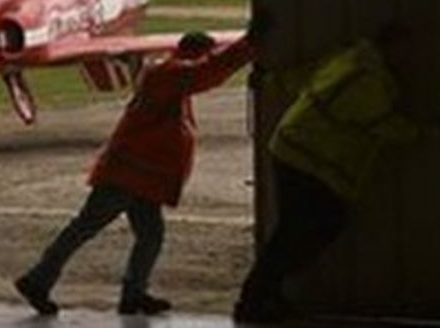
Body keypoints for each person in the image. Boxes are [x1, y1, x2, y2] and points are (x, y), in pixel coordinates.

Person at [15, 16, 270, 317]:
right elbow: (209, 72)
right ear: (197, 53)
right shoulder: (171, 74)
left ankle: (132, 294)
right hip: (129, 175)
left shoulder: (167, 75)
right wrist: (248, 44)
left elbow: (206, 73)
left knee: (143, 234)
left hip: (138, 176)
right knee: (88, 228)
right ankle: (39, 280)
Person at [233, 22, 440, 324]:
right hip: (309, 158)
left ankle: (264, 295)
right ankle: (254, 300)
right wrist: (437, 129)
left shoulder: (350, 59)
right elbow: (392, 129)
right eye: (407, 48)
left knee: (297, 232)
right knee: (306, 231)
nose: (411, 57)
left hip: (295, 149)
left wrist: (268, 81)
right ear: (394, 47)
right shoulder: (369, 82)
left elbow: (304, 77)